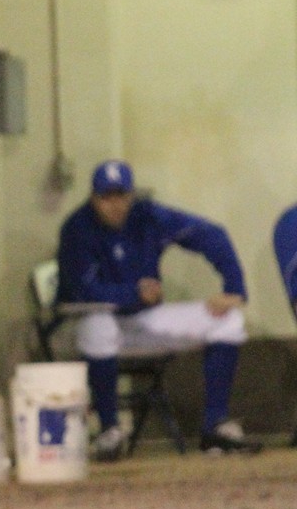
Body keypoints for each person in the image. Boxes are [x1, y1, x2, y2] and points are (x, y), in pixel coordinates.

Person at [57, 159, 261, 461]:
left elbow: (211, 235)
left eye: (121, 196)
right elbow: (82, 290)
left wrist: (234, 288)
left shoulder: (148, 216)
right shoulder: (77, 228)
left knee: (229, 319)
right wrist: (133, 292)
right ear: (93, 197)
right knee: (97, 322)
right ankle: (109, 429)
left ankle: (215, 427)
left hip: (143, 322)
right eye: (106, 197)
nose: (114, 205)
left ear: (131, 195)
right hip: (94, 327)